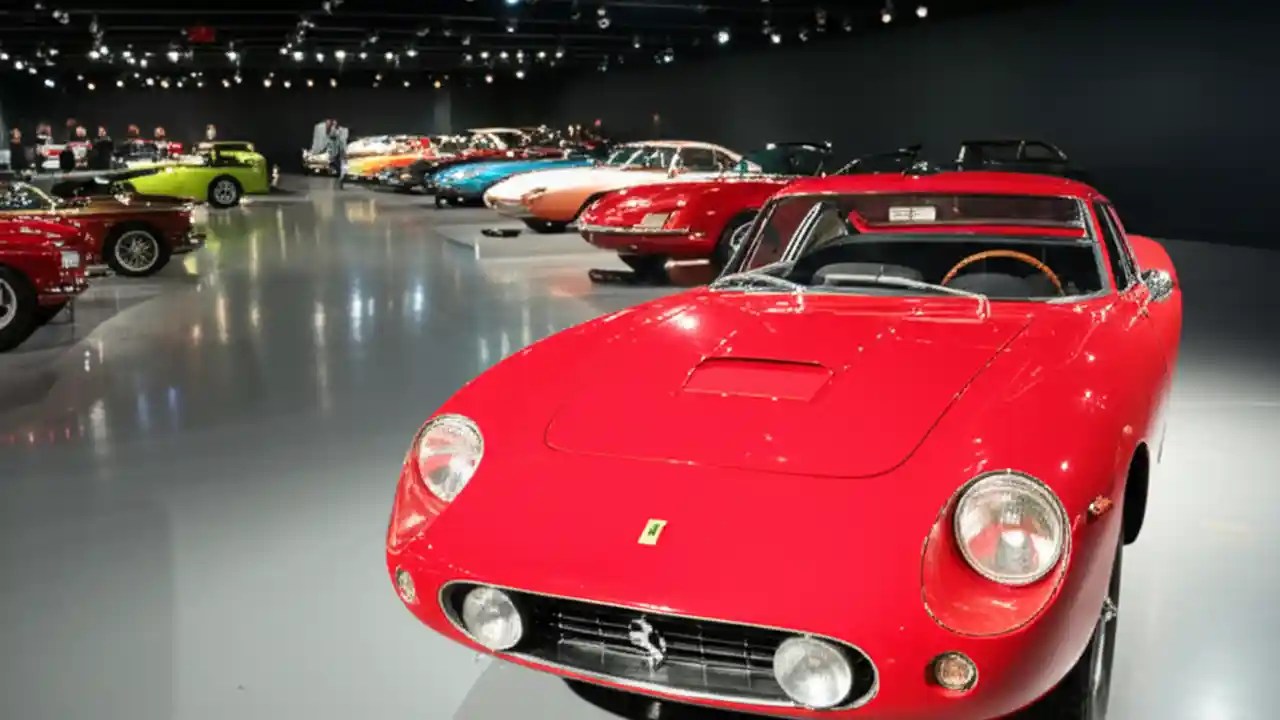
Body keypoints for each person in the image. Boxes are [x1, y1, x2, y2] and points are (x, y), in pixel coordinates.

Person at [328, 120, 348, 189]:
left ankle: (342, 179)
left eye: (335, 123)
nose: (334, 124)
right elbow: (331, 136)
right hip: (336, 151)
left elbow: (342, 138)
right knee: (336, 164)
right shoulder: (333, 129)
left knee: (343, 165)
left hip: (342, 150)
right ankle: (340, 177)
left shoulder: (344, 130)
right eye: (333, 123)